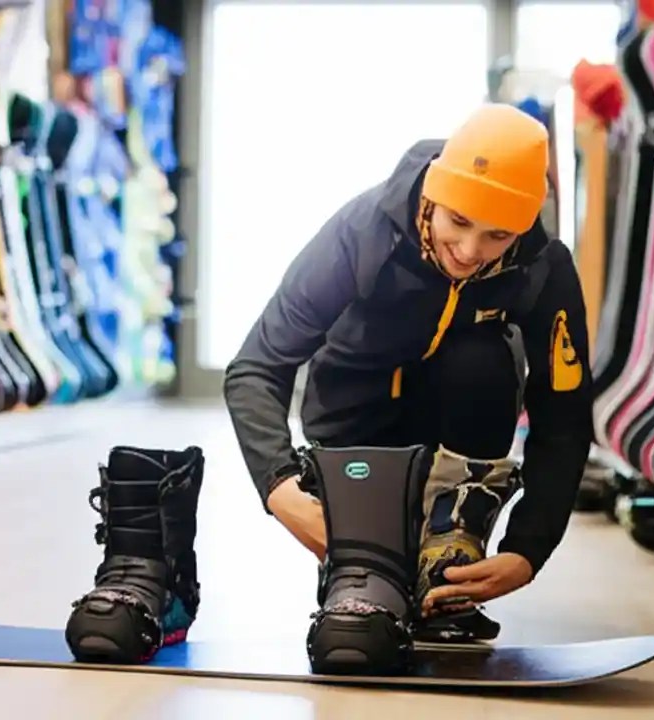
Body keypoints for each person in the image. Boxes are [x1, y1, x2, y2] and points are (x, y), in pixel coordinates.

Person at [223, 104, 593, 622]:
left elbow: (565, 415)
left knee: (482, 357)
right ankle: (371, 558)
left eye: (498, 235)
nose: (469, 250)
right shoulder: (362, 232)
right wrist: (279, 487)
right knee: (376, 588)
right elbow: (256, 367)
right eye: (459, 221)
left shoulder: (543, 266)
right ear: (435, 195)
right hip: (355, 416)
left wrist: (528, 549)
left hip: (459, 424)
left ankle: (449, 548)